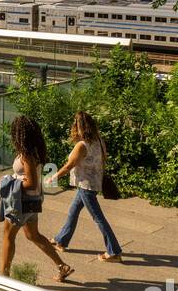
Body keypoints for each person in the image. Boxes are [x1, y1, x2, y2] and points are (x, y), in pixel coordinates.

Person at [1, 115, 74, 282]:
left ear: (20, 134)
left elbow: (31, 183)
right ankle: (62, 266)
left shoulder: (26, 155)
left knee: (8, 236)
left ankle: (3, 278)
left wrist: (8, 183)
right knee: (33, 235)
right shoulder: (35, 150)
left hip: (22, 202)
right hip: (33, 201)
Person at [49, 111, 123, 262]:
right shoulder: (99, 141)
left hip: (86, 186)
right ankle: (61, 241)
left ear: (79, 127)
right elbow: (103, 159)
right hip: (94, 182)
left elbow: (70, 165)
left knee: (98, 218)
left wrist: (55, 176)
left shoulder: (82, 145)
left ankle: (114, 251)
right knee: (73, 212)